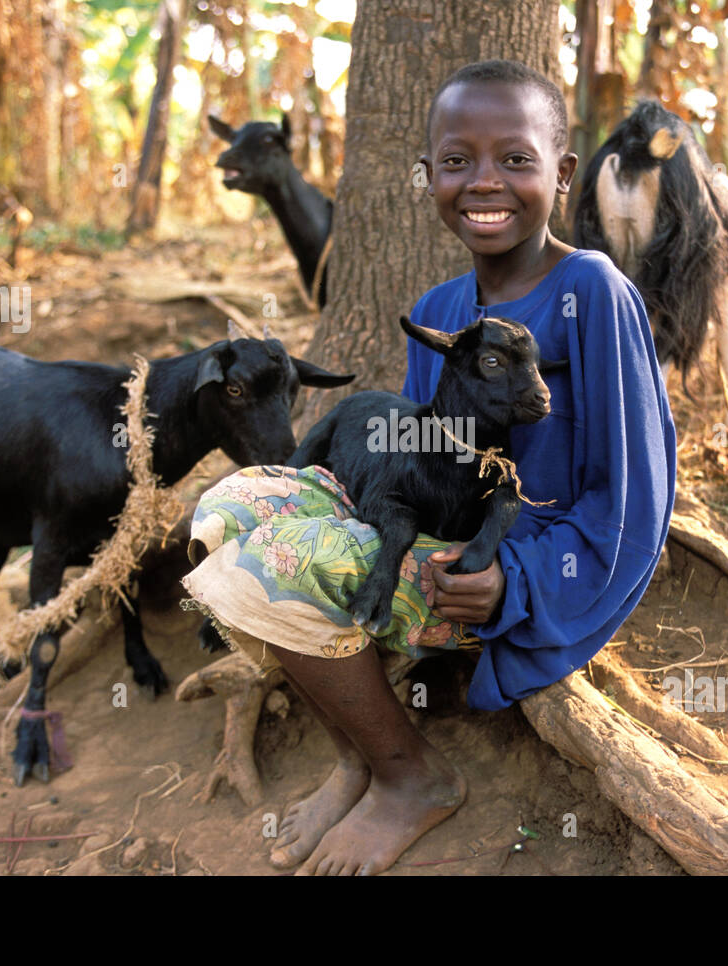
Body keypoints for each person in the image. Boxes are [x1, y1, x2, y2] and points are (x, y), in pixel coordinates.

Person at [182, 59, 676, 875]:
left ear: (562, 173)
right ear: (428, 176)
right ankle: (357, 756)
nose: (485, 182)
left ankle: (411, 778)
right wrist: (354, 511)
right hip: (439, 550)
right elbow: (426, 465)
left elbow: (635, 502)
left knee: (272, 564)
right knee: (228, 513)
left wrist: (513, 578)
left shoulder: (593, 292)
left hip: (533, 580)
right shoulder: (446, 311)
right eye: (457, 161)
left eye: (515, 159)